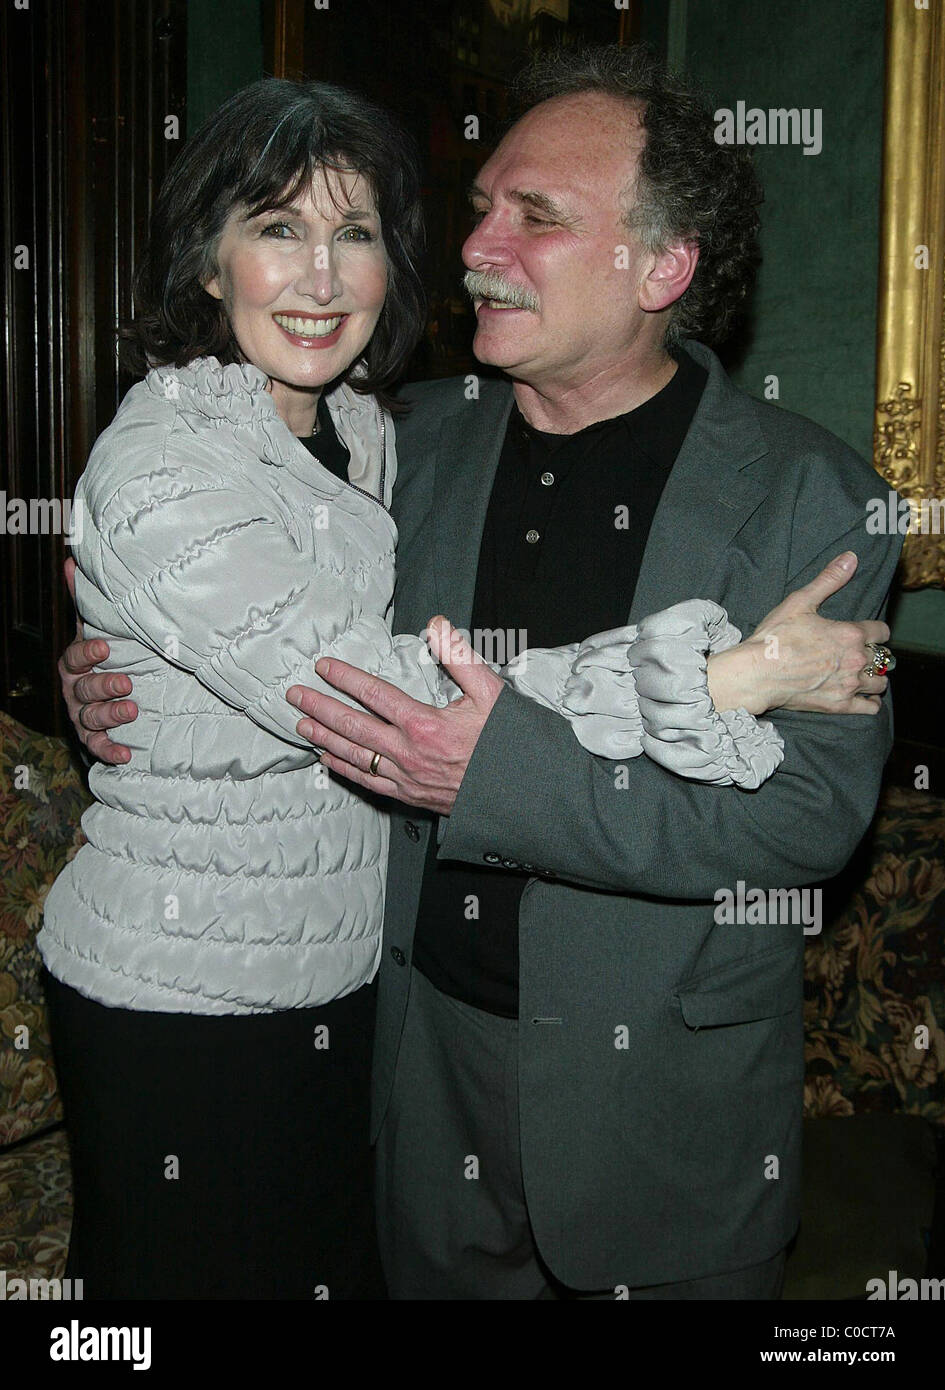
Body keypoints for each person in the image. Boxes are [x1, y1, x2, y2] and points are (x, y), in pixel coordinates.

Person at [58, 52, 897, 1301]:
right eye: (480, 208)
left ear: (662, 268)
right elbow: (311, 661)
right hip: (401, 1070)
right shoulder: (415, 435)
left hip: (656, 1114)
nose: (478, 246)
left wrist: (505, 774)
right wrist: (123, 669)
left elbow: (808, 818)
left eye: (537, 218)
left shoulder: (812, 494)